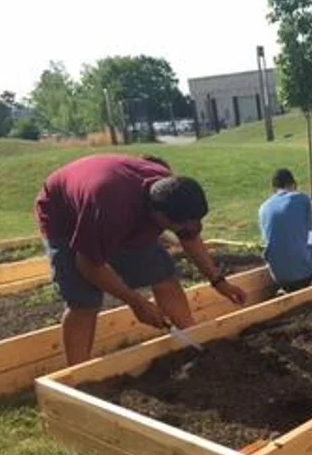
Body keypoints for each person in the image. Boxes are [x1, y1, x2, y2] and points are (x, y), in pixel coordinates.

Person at [35, 154, 246, 365]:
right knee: (83, 300)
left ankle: (191, 339)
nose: (189, 229)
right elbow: (88, 265)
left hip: (112, 206)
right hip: (62, 215)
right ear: (157, 215)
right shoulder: (112, 207)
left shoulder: (170, 191)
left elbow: (189, 237)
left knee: (163, 274)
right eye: (181, 225)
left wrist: (218, 281)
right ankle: (79, 376)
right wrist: (137, 303)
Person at [258, 168, 312, 292]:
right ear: (293, 184)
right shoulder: (302, 198)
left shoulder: (263, 208)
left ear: (273, 188)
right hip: (304, 274)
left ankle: (288, 287)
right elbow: (309, 229)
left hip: (278, 277)